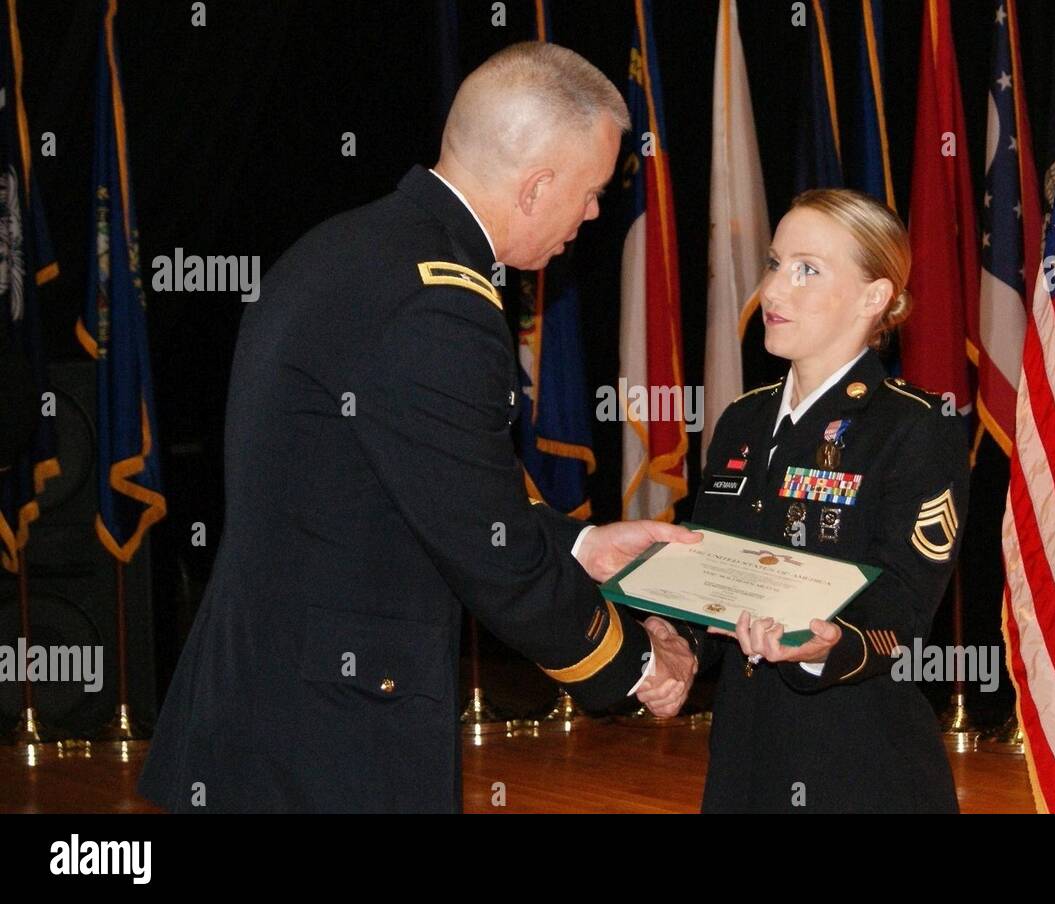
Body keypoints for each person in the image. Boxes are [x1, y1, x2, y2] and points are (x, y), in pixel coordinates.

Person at [138, 42, 697, 814]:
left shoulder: (348, 247)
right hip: (332, 741)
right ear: (538, 187)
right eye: (593, 191)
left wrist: (580, 544)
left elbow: (424, 487)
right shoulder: (440, 305)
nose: (595, 214)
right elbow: (482, 547)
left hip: (267, 705)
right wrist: (636, 663)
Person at [678, 188, 969, 813]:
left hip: (859, 764)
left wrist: (829, 644)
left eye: (808, 270)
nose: (775, 292)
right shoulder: (742, 420)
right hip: (741, 757)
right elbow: (707, 567)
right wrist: (676, 639)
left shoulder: (914, 427)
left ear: (875, 297)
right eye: (775, 264)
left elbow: (904, 601)